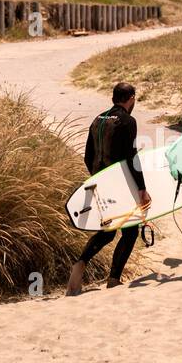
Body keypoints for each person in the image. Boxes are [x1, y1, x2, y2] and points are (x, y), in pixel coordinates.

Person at [67, 83, 150, 295]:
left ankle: (81, 263)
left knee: (107, 231)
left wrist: (97, 179)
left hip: (99, 182)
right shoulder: (128, 121)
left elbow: (87, 156)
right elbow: (132, 158)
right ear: (130, 98)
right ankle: (114, 278)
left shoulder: (98, 119)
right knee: (130, 232)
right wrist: (141, 188)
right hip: (119, 183)